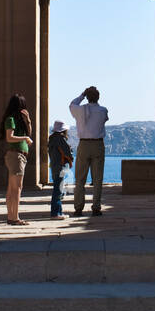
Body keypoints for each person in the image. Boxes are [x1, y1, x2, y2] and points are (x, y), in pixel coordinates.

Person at [69, 86, 108, 216]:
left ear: (87, 97)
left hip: (84, 144)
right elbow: (104, 119)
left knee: (80, 179)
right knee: (97, 179)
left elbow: (72, 104)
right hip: (97, 144)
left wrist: (82, 95)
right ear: (98, 97)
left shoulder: (80, 110)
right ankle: (96, 207)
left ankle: (78, 208)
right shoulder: (103, 110)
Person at [0, 94, 33, 226]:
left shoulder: (20, 121)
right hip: (15, 155)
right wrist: (24, 138)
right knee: (16, 188)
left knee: (12, 188)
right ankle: (14, 217)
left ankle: (11, 216)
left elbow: (29, 134)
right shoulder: (11, 119)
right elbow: (9, 138)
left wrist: (28, 120)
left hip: (20, 156)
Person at [47, 120, 73, 219]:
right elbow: (67, 152)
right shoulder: (60, 139)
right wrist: (71, 158)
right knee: (58, 190)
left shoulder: (52, 139)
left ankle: (59, 212)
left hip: (54, 166)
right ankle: (55, 213)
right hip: (61, 167)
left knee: (58, 189)